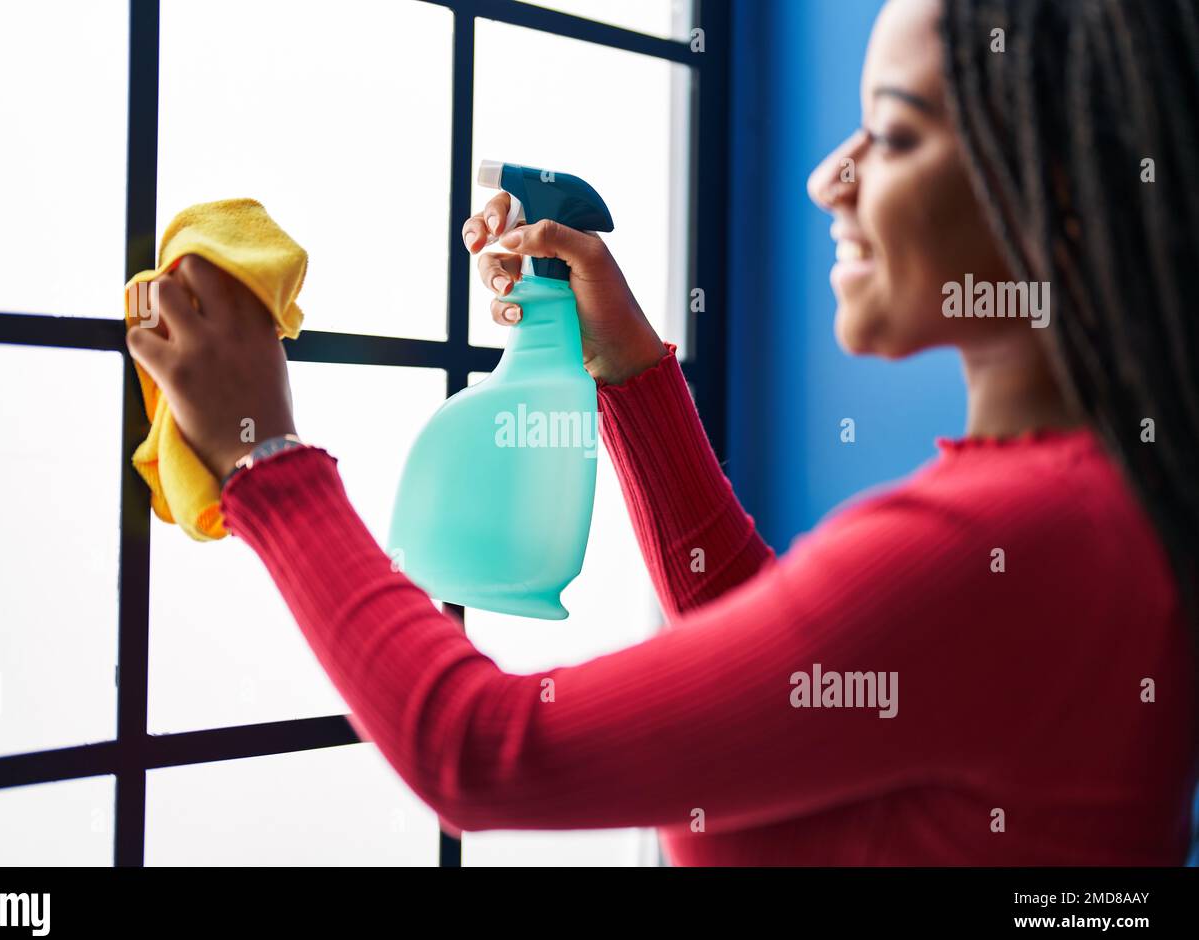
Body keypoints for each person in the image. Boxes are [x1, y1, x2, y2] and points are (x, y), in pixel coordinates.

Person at [125, 0, 1198, 865]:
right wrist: (624, 356)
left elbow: (476, 752)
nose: (830, 177)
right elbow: (790, 670)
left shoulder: (1002, 540)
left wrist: (264, 458)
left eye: (898, 133)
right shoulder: (1090, 503)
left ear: (1060, 192)